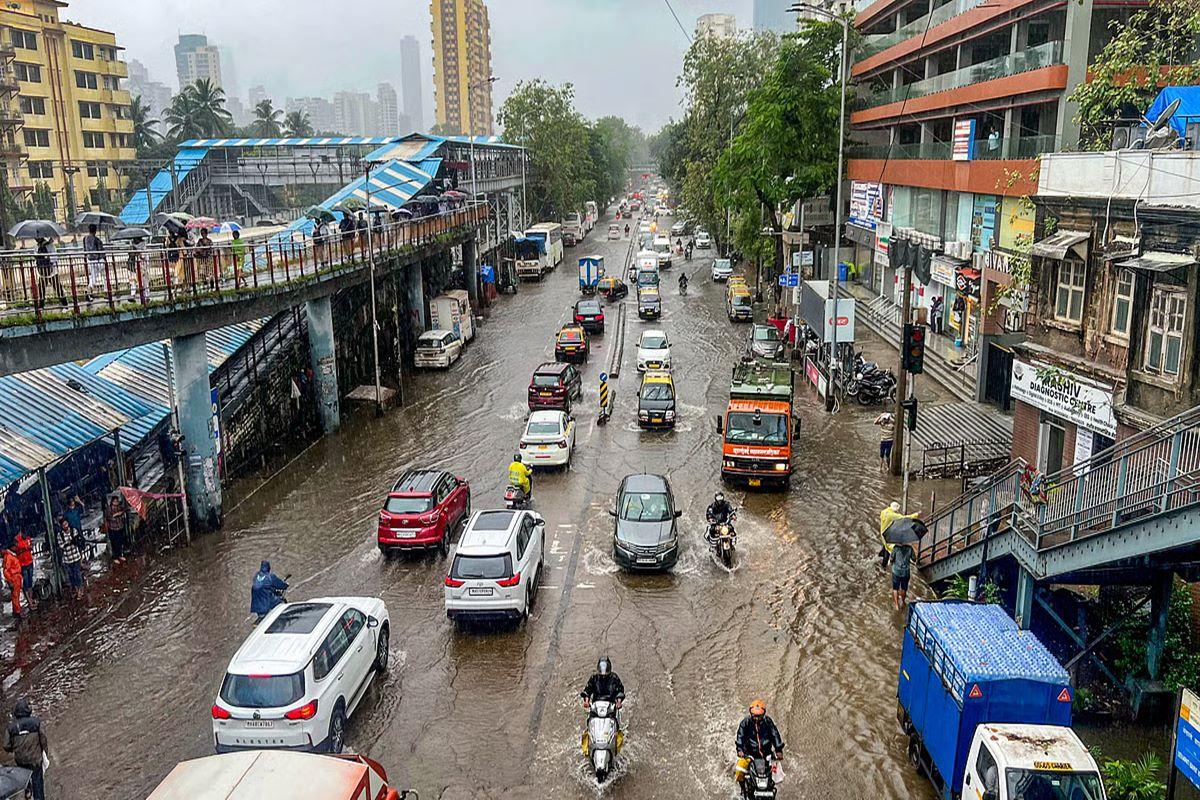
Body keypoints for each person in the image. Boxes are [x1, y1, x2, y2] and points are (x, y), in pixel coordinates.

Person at [3, 698, 48, 800]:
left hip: (21, 761)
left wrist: (14, 749)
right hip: (35, 760)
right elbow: (43, 740)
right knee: (38, 783)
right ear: (28, 710)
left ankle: (28, 792)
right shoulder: (36, 722)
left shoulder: (11, 728)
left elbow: (6, 745)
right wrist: (44, 753)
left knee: (24, 777)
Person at [735, 699, 784, 786]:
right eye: (755, 716)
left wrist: (778, 750)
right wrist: (740, 750)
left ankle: (771, 787)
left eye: (759, 716)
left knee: (775, 774)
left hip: (766, 755)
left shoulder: (768, 722)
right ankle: (743, 789)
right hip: (749, 755)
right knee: (739, 770)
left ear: (763, 714)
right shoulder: (745, 723)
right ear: (751, 714)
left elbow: (775, 735)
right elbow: (740, 736)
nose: (757, 718)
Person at [55, 517, 84, 600]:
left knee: (77, 574)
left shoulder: (73, 531)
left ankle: (80, 590)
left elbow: (77, 541)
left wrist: (71, 542)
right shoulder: (60, 535)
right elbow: (61, 545)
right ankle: (75, 590)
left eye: (66, 524)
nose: (65, 526)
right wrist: (68, 543)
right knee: (71, 575)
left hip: (76, 556)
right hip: (67, 559)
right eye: (63, 525)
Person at [33, 237, 64, 308]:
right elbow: (54, 257)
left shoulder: (45, 246)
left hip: (48, 271)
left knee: (55, 287)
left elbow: (53, 257)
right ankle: (41, 305)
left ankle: (64, 303)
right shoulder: (40, 246)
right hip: (46, 271)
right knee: (44, 288)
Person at [891, 536, 916, 610]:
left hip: (896, 571)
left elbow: (891, 559)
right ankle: (903, 602)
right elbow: (914, 559)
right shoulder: (910, 548)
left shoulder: (895, 548)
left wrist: (893, 560)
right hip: (906, 572)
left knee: (895, 588)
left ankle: (896, 605)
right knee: (904, 588)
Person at [83, 222, 105, 299]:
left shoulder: (85, 239)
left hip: (90, 260)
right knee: (105, 276)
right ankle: (106, 291)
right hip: (98, 260)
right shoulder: (97, 239)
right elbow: (101, 250)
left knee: (93, 277)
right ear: (95, 231)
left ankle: (89, 290)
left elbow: (85, 250)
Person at [104, 495, 127, 564]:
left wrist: (121, 514)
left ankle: (120, 555)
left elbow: (123, 513)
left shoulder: (119, 507)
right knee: (114, 543)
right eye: (115, 501)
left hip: (120, 527)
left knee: (120, 542)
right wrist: (116, 514)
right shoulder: (109, 509)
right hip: (113, 528)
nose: (116, 503)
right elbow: (108, 517)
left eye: (117, 501)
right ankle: (115, 557)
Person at [14, 531, 33, 609]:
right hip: (22, 565)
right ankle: (29, 601)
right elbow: (16, 549)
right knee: (25, 583)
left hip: (30, 562)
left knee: (30, 582)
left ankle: (31, 599)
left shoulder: (28, 538)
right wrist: (24, 548)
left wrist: (28, 548)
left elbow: (31, 546)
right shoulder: (16, 539)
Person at [3, 544, 22, 619]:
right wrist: (10, 581)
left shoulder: (11, 555)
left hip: (17, 576)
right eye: (15, 546)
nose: (16, 547)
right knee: (15, 596)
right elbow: (6, 571)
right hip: (14, 577)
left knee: (16, 595)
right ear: (11, 547)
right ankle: (17, 612)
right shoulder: (8, 556)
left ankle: (17, 610)